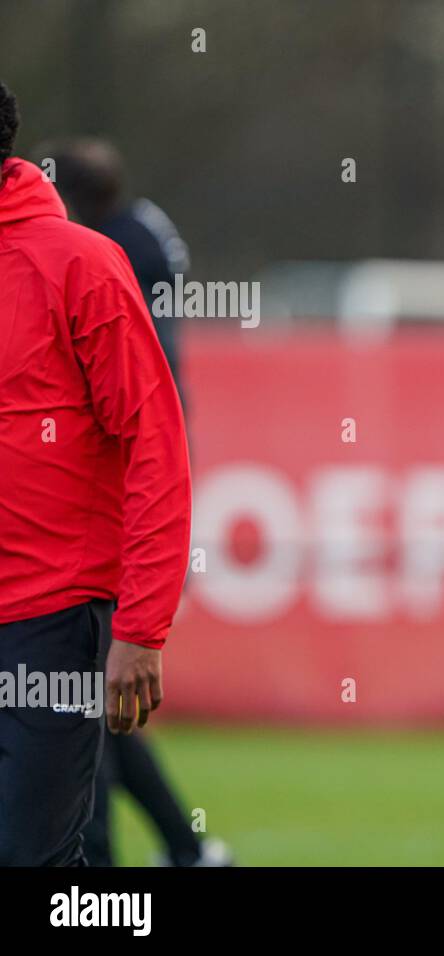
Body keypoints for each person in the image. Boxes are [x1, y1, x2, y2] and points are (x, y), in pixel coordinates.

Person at [0, 82, 192, 866]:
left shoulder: (78, 261)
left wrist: (141, 630)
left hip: (47, 618)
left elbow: (155, 443)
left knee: (33, 860)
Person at [39, 137, 231, 868]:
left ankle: (102, 873)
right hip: (141, 466)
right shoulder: (142, 231)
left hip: (113, 484)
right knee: (92, 702)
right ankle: (184, 850)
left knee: (81, 700)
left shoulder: (93, 252)